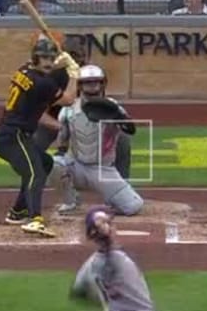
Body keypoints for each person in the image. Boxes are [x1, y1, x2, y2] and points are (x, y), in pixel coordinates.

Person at [0, 36, 80, 237]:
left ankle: (18, 211)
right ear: (36, 58)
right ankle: (35, 219)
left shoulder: (24, 69)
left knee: (45, 163)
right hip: (12, 137)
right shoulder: (42, 83)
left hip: (13, 135)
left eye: (51, 57)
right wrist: (74, 73)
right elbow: (68, 99)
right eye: (44, 58)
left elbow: (47, 76)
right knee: (35, 173)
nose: (48, 62)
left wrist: (60, 64)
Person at [53, 64, 143, 217]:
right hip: (77, 166)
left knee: (133, 207)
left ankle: (113, 198)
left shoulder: (112, 106)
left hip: (103, 170)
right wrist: (62, 157)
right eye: (88, 82)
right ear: (80, 85)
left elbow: (130, 130)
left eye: (96, 81)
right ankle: (70, 201)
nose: (92, 85)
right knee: (54, 164)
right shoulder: (68, 109)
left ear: (103, 83)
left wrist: (117, 116)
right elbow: (62, 141)